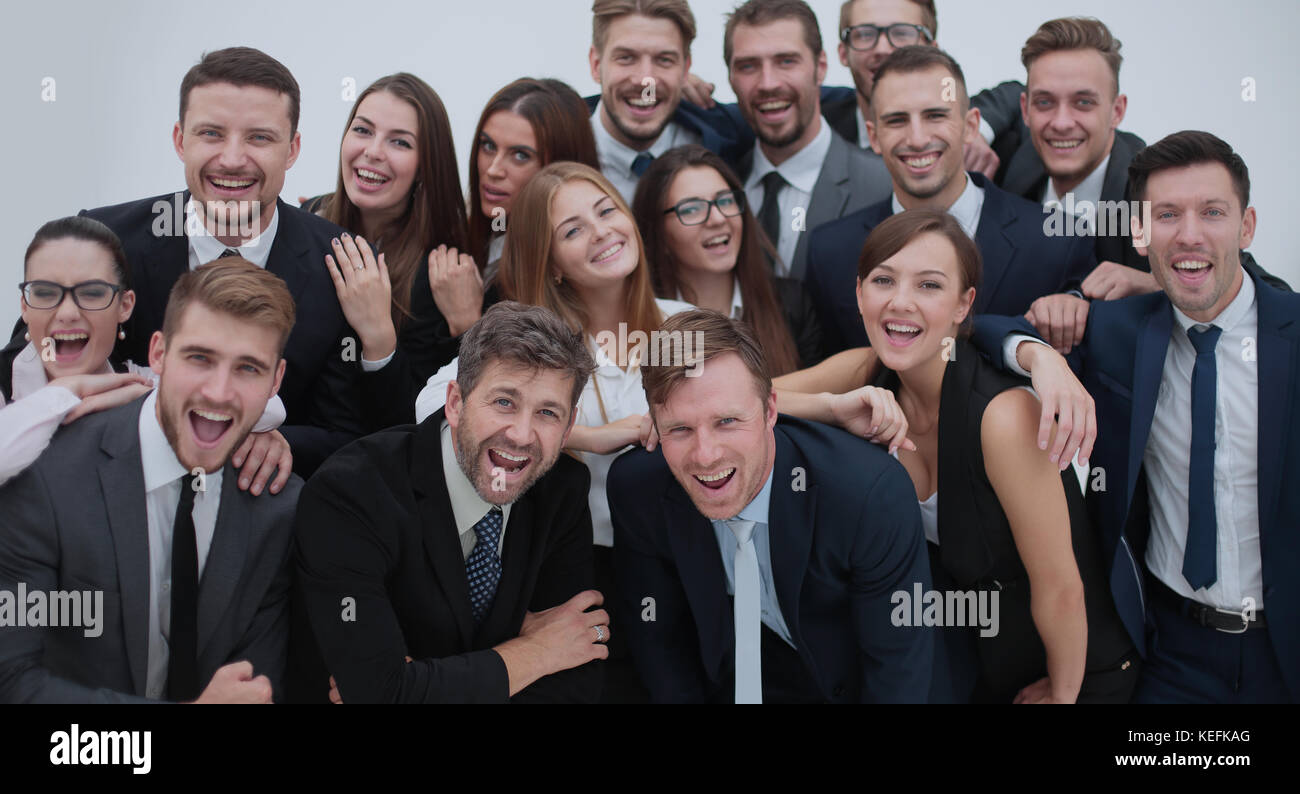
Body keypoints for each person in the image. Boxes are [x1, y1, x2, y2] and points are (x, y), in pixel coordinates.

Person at [973, 131, 1299, 702]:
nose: (1190, 234)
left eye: (1213, 212)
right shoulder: (1124, 332)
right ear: (1140, 234)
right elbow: (987, 327)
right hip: (1171, 655)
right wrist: (1041, 358)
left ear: (1247, 228)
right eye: (1166, 214)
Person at [778, 210, 1137, 701]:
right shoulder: (864, 370)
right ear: (859, 292)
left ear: (963, 304)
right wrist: (831, 409)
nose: (900, 302)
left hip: (1072, 672)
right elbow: (742, 401)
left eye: (929, 286)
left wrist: (1062, 693)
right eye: (884, 280)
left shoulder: (1003, 416)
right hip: (973, 674)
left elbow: (1060, 586)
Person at [415, 161, 692, 701]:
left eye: (607, 210)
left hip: (678, 563)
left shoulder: (678, 325)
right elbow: (435, 409)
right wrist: (587, 436)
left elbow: (748, 398)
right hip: (572, 576)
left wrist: (833, 401)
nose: (601, 231)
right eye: (572, 230)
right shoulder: (535, 342)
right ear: (554, 265)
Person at [0, 259, 303, 703]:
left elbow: (255, 688)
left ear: (276, 379)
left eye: (248, 369)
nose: (218, 392)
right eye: (200, 358)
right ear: (158, 354)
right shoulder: (45, 476)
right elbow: (10, 682)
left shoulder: (279, 506)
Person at [608, 309, 932, 702]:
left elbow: (897, 670)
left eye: (727, 421)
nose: (706, 455)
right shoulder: (637, 487)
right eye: (680, 429)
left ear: (771, 410)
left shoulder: (867, 495)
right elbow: (659, 642)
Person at [293, 302, 606, 703]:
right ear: (455, 402)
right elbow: (382, 692)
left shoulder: (561, 490)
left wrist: (423, 682)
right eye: (504, 402)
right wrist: (539, 652)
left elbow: (575, 685)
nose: (522, 434)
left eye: (547, 412)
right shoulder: (351, 494)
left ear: (568, 429)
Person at [79, 46, 365, 475]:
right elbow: (23, 372)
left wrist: (283, 439)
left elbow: (352, 430)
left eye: (259, 137)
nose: (232, 159)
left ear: (292, 149)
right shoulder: (102, 242)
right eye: (211, 134)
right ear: (180, 140)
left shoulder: (343, 263)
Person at [976, 17, 1291, 354]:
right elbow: (993, 95)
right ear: (1026, 110)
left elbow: (1276, 295)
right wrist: (976, 133)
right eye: (1045, 102)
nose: (1062, 122)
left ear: (1117, 110)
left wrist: (1158, 282)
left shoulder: (1156, 192)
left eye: (1083, 102)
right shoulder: (1011, 158)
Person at [805, 45, 1094, 353]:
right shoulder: (831, 252)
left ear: (970, 126)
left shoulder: (1059, 240)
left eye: (935, 116)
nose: (917, 139)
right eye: (897, 120)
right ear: (874, 136)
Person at [1, 217, 289, 494]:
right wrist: (62, 395)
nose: (67, 313)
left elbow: (271, 406)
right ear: (25, 305)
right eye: (44, 292)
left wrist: (148, 402)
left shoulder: (139, 382)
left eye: (91, 293)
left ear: (125, 306)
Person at [304, 73, 478, 431]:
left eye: (399, 142)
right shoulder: (310, 217)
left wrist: (379, 336)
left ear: (424, 166)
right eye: (363, 130)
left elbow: (411, 423)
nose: (372, 152)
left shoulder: (435, 272)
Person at [725, 0, 891, 280]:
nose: (768, 83)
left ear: (820, 66)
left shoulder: (885, 187)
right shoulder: (723, 183)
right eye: (748, 66)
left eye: (786, 61)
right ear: (730, 76)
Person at [632, 144, 822, 372]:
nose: (717, 219)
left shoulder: (791, 303)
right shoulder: (642, 321)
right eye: (692, 209)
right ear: (658, 233)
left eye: (725, 201)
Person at [585, 0, 754, 203]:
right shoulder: (552, 150)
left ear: (685, 68)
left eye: (664, 60)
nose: (646, 80)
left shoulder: (730, 132)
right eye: (626, 58)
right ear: (596, 65)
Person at [823, 0, 1003, 178]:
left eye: (902, 33)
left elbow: (1017, 92)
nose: (882, 48)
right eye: (865, 34)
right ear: (843, 53)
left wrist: (975, 132)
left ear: (932, 52)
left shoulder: (960, 125)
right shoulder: (821, 121)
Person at [468, 77, 601, 278]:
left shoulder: (574, 262)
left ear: (560, 164)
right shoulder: (476, 229)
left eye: (521, 155)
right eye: (488, 145)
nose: (494, 170)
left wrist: (463, 310)